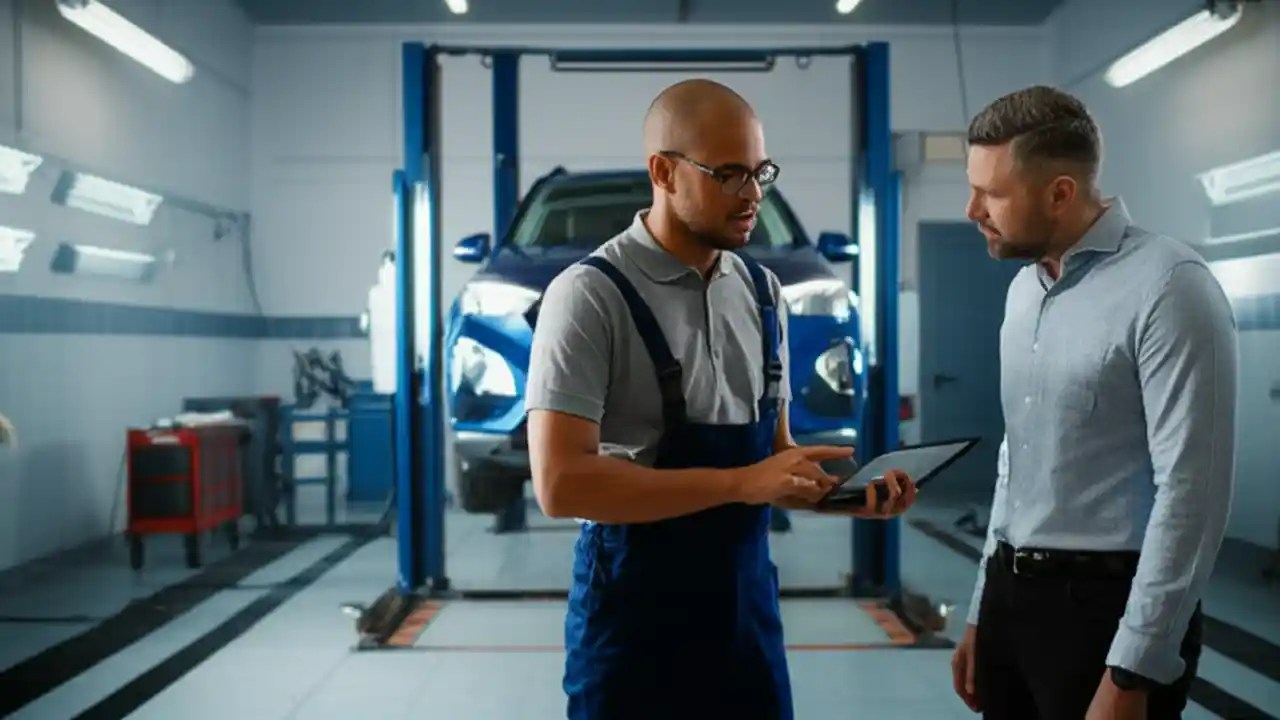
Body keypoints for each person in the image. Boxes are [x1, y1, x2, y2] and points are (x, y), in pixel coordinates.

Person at [524, 78, 918, 720]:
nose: (753, 194)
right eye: (729, 175)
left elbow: (773, 462)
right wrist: (742, 484)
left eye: (761, 173)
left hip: (744, 615)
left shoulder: (764, 294)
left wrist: (847, 497)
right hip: (631, 620)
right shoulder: (589, 296)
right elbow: (561, 484)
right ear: (664, 172)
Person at [949, 85, 1238, 720]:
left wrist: (1135, 667)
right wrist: (981, 612)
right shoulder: (1024, 290)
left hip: (1104, 612)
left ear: (1060, 192)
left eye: (992, 193)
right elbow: (1017, 462)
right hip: (1011, 599)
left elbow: (1192, 492)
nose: (972, 210)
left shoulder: (1169, 286)